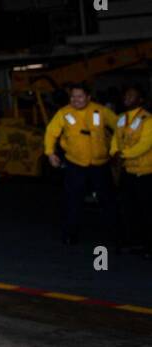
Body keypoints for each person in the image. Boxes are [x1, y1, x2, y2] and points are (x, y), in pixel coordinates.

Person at [45, 82, 117, 245]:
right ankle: (70, 234)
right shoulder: (63, 113)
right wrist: (50, 153)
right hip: (76, 164)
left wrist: (115, 149)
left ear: (88, 97)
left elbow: (119, 128)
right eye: (72, 96)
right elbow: (50, 133)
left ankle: (114, 235)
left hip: (100, 164)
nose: (75, 100)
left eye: (79, 96)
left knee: (108, 200)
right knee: (72, 200)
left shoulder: (101, 111)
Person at [110, 84, 152, 255]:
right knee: (129, 208)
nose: (127, 98)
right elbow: (115, 138)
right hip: (128, 171)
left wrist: (122, 154)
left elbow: (145, 144)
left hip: (145, 172)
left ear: (140, 100)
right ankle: (134, 241)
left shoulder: (147, 120)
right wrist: (113, 151)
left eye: (132, 95)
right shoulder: (121, 118)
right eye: (126, 95)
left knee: (147, 210)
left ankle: (149, 245)